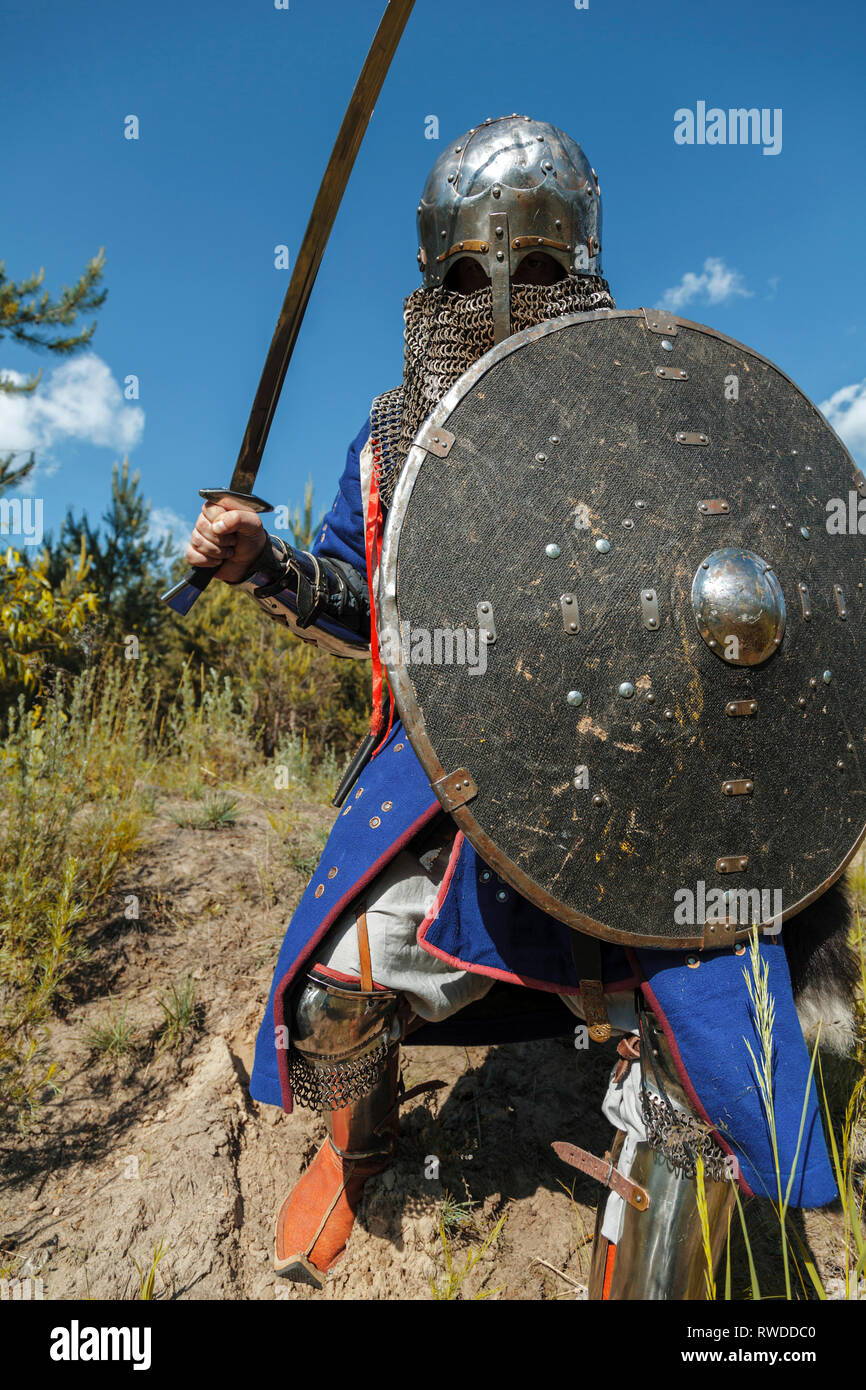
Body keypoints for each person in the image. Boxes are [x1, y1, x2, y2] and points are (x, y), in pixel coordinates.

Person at [184, 116, 847, 1297]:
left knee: (714, 1059)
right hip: (464, 783)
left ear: (581, 270)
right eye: (469, 272)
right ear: (431, 285)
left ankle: (674, 1252)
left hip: (652, 782)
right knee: (339, 977)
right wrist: (270, 568)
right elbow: (369, 598)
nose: (501, 295)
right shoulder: (393, 442)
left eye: (536, 267)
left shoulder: (652, 404)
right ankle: (359, 1138)